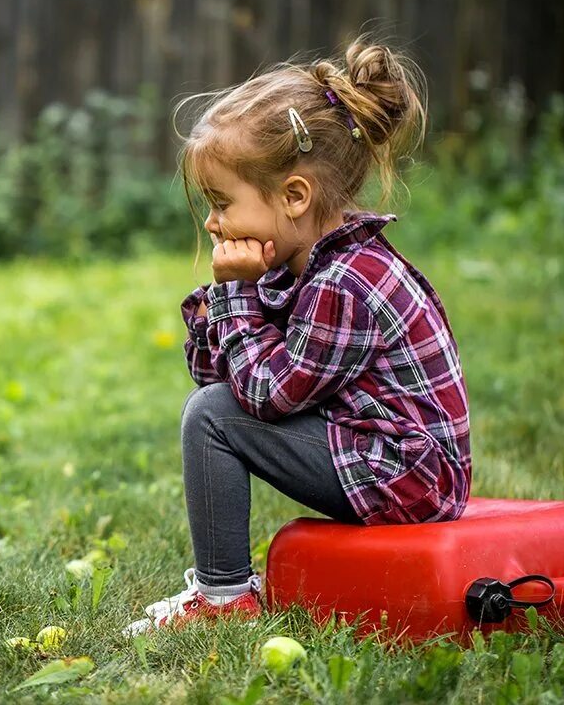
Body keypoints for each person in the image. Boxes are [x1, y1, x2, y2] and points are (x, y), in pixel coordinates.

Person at [124, 37, 471, 636]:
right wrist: (240, 296)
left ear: (293, 197)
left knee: (210, 418)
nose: (211, 223)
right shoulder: (301, 265)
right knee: (212, 409)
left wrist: (232, 294)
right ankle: (223, 592)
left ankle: (224, 597)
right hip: (386, 456)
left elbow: (262, 397)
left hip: (409, 474)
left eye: (221, 202)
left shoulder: (345, 282)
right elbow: (223, 375)